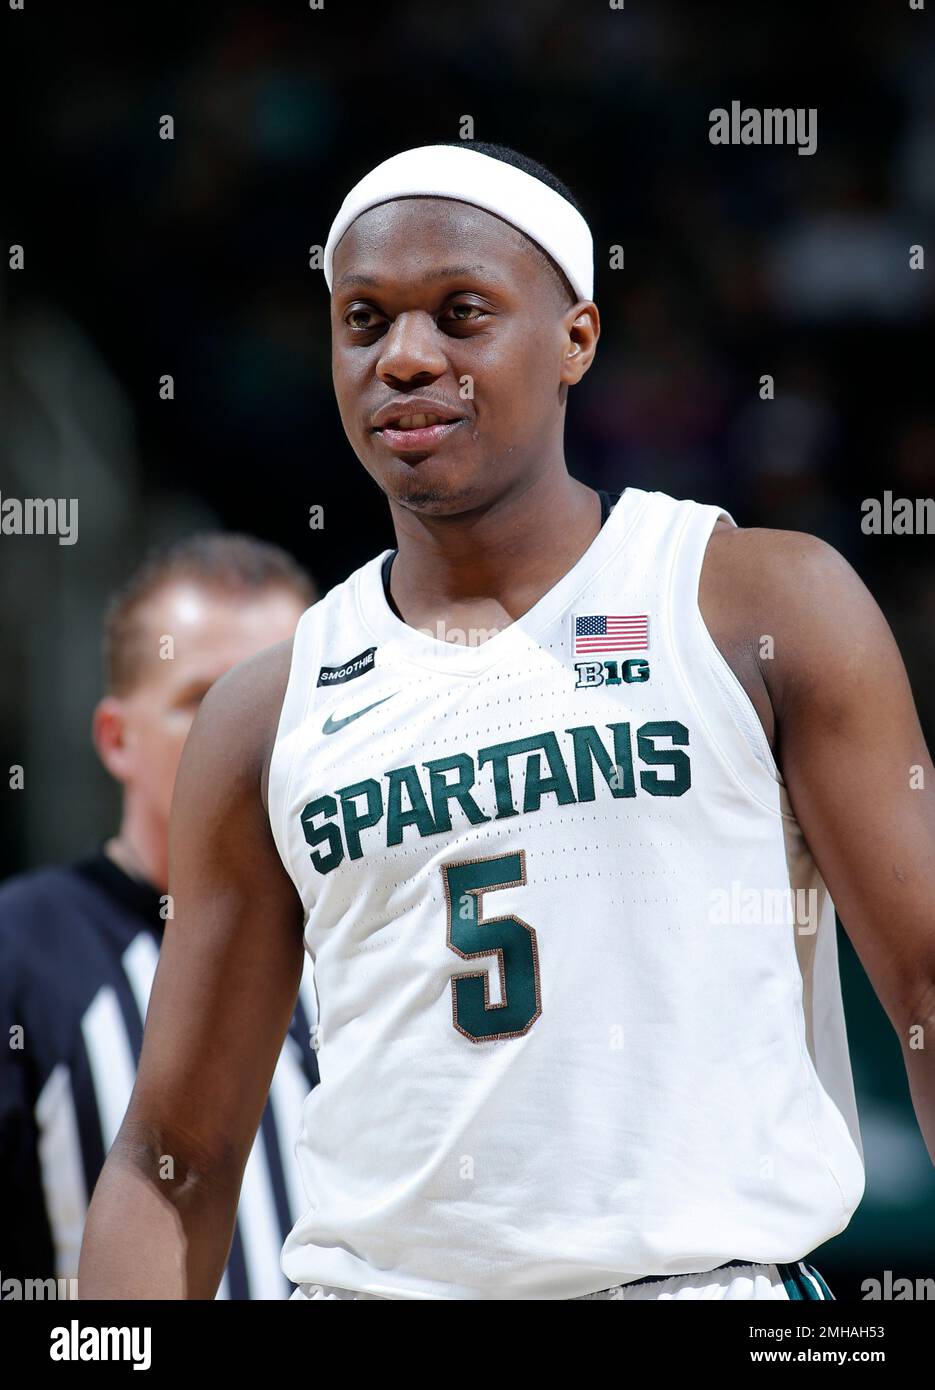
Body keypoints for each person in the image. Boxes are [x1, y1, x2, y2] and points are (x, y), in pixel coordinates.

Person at [79, 143, 935, 1301]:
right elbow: (171, 1158)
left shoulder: (754, 601)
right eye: (363, 319)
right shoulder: (264, 708)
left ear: (577, 337)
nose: (406, 357)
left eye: (460, 312)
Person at [0, 533, 320, 1298]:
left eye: (296, 702)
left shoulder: (375, 930)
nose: (258, 743)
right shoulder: (21, 950)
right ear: (116, 738)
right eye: (207, 704)